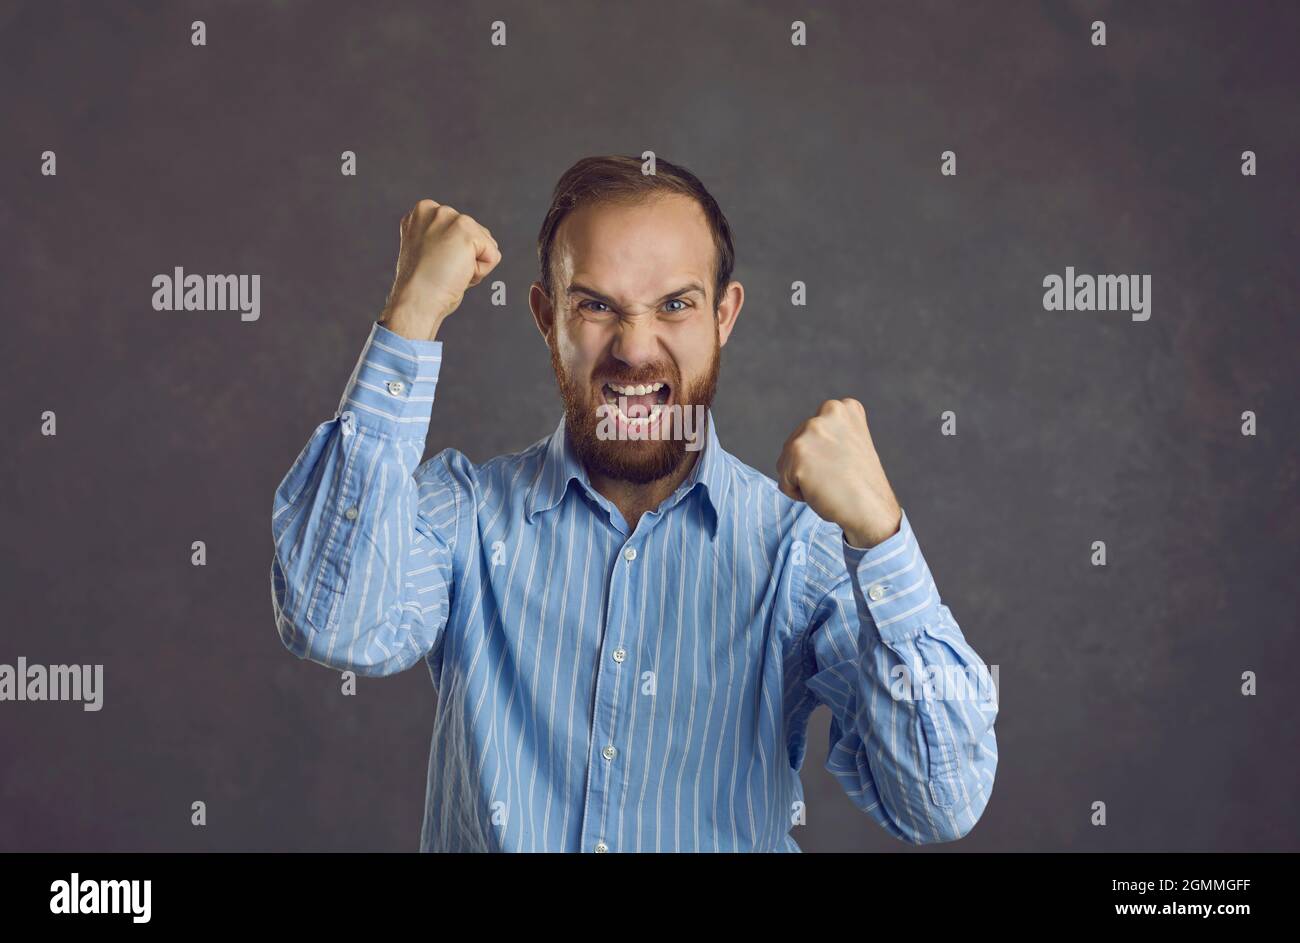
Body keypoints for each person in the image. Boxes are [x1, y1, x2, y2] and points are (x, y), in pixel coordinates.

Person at [270, 154, 998, 852]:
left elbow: (940, 800)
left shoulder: (799, 548)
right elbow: (337, 623)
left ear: (724, 317)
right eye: (595, 305)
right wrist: (411, 313)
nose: (634, 347)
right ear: (546, 318)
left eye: (675, 304)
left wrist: (881, 537)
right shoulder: (466, 513)